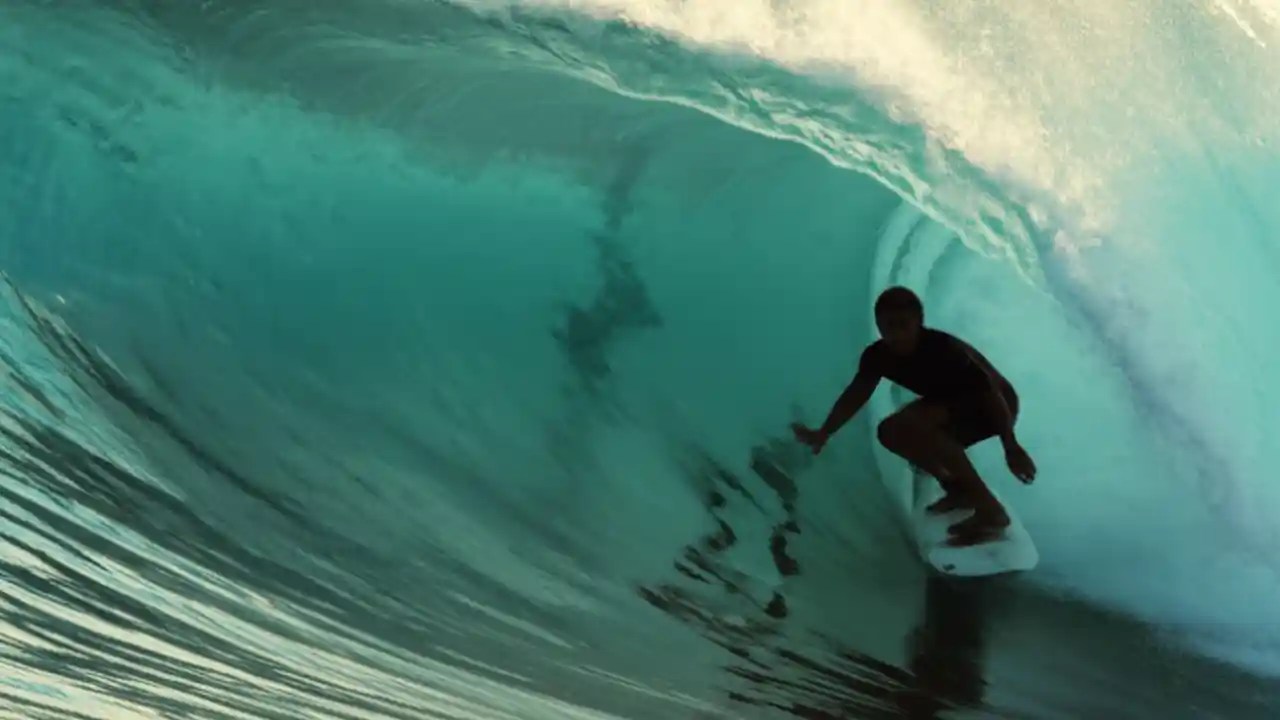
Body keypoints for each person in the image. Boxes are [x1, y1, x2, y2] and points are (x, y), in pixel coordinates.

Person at [791, 287, 1036, 545]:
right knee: (889, 432)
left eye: (903, 325)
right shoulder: (878, 356)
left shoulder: (944, 350)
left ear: (919, 323)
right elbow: (856, 394)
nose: (895, 335)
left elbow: (989, 393)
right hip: (952, 402)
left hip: (997, 405)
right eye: (887, 327)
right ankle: (956, 489)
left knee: (916, 425)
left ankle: (992, 512)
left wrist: (1011, 446)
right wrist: (824, 432)